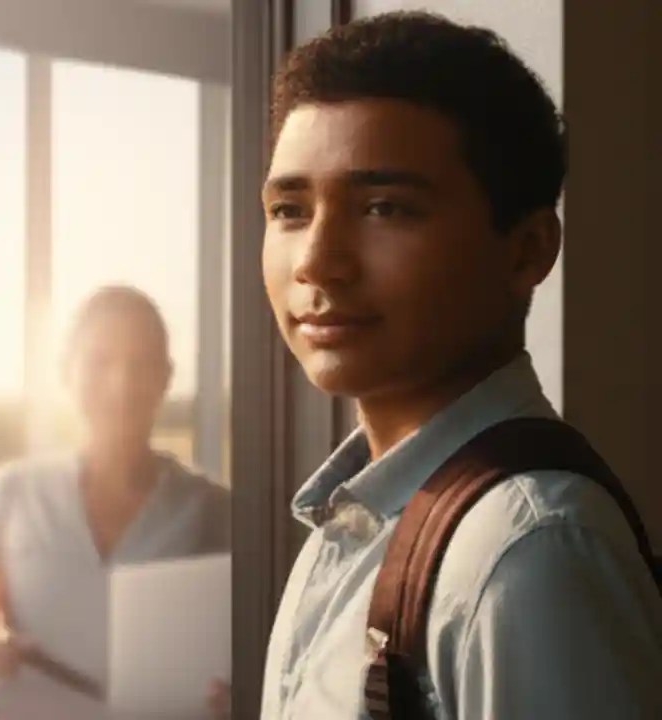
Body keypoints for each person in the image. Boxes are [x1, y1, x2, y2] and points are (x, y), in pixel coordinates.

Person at [246, 10, 662, 719]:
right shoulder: (348, 522)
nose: (316, 260)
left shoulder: (527, 550)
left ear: (527, 250)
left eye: (383, 207)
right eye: (290, 209)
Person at [0, 285, 231, 716]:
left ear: (166, 377)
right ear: (65, 372)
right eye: (100, 363)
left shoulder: (212, 509)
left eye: (141, 364)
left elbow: (259, 661)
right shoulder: (13, 493)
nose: (122, 384)